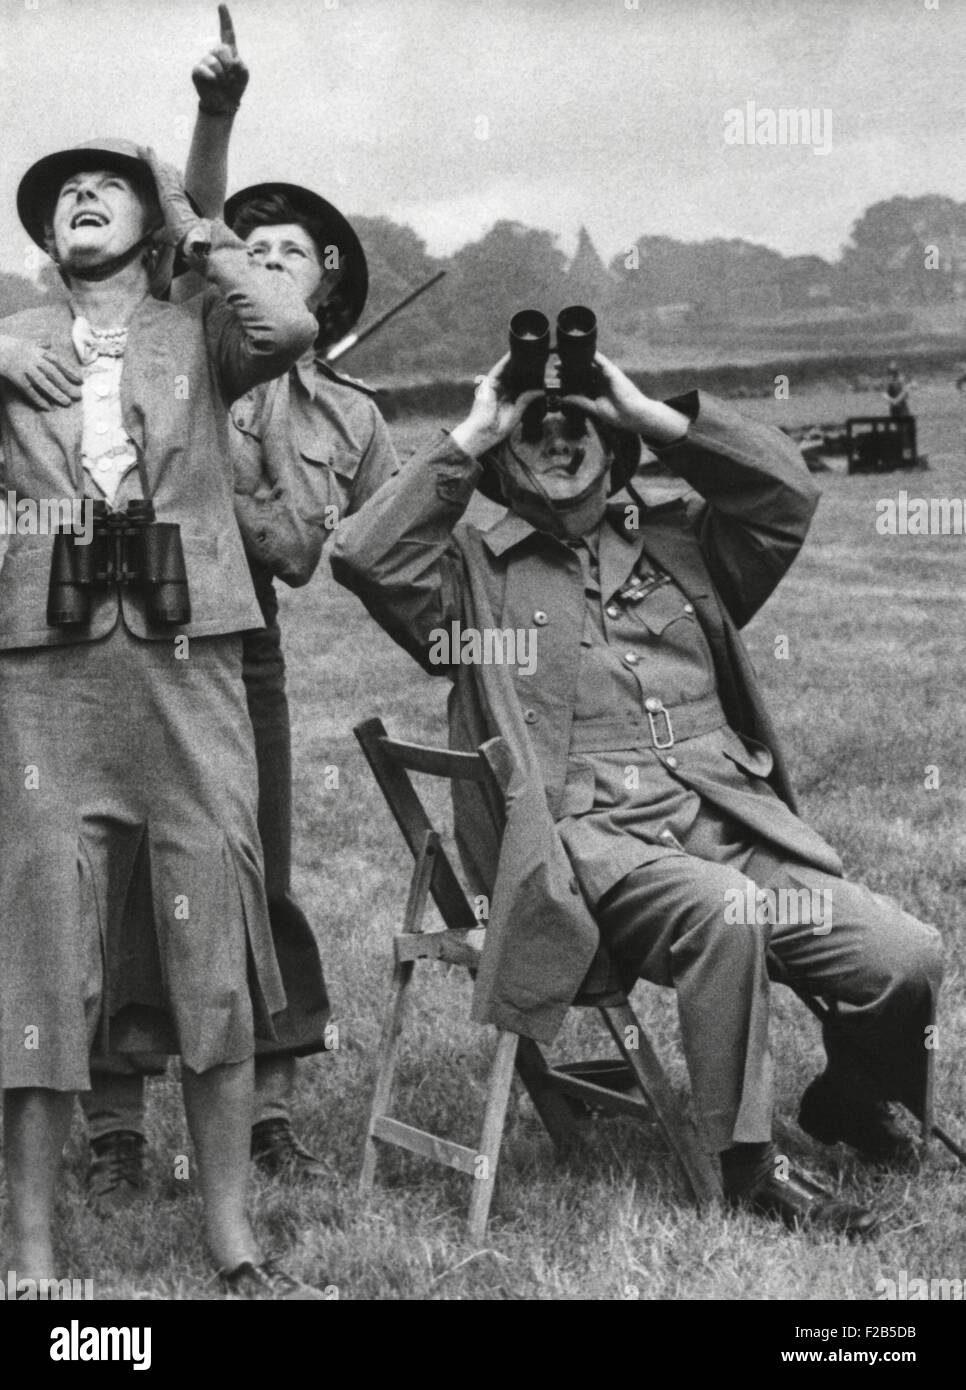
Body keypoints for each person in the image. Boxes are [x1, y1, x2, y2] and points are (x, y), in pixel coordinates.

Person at [330, 330, 943, 1236]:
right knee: (726, 914)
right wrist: (470, 431)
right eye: (535, 426)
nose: (560, 437)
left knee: (902, 954)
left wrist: (654, 414)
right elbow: (363, 556)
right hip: (594, 847)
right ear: (506, 450)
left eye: (579, 420)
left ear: (613, 443)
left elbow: (785, 493)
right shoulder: (470, 582)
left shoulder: (687, 545)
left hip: (727, 820)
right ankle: (747, 1167)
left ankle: (850, 1099)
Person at [77, 8, 400, 1209]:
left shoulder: (347, 414)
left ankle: (264, 1112)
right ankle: (113, 1123)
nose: (264, 252)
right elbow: (194, 221)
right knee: (114, 882)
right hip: (125, 624)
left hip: (240, 645)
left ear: (328, 289)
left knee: (247, 875)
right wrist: (214, 117)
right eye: (249, 239)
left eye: (293, 249)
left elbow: (354, 549)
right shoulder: (188, 330)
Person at [0, 132, 326, 1298]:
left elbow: (289, 328)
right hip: (44, 675)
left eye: (109, 187)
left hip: (189, 664)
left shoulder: (199, 329)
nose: (83, 198)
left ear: (151, 221)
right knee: (39, 953)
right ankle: (30, 1256)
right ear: (45, 238)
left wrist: (202, 227)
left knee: (212, 938)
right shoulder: (16, 343)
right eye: (63, 197)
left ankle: (231, 1238)